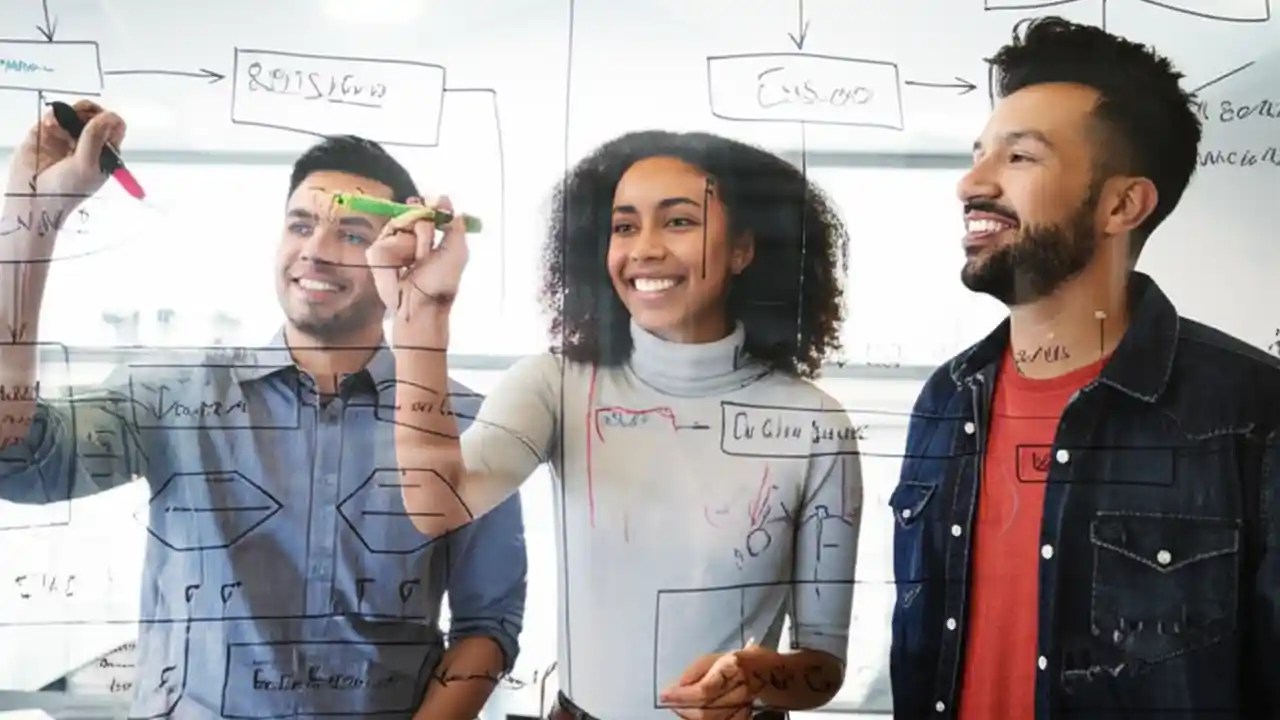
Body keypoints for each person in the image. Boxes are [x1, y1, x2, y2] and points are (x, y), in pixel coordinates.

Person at [0, 102, 527, 719]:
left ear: (403, 254)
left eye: (353, 234)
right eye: (301, 226)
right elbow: (20, 458)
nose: (317, 251)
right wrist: (30, 223)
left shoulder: (464, 420)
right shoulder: (177, 392)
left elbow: (486, 624)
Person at [365, 129, 864, 719]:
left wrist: (755, 676)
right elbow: (438, 504)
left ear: (743, 249)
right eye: (624, 226)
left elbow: (822, 671)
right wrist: (422, 318)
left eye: (679, 222)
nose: (644, 248)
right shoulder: (556, 385)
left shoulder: (816, 424)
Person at [889, 15, 1280, 719]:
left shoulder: (1251, 413)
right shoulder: (944, 402)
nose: (971, 183)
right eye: (979, 153)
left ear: (1122, 204)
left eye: (1020, 158)